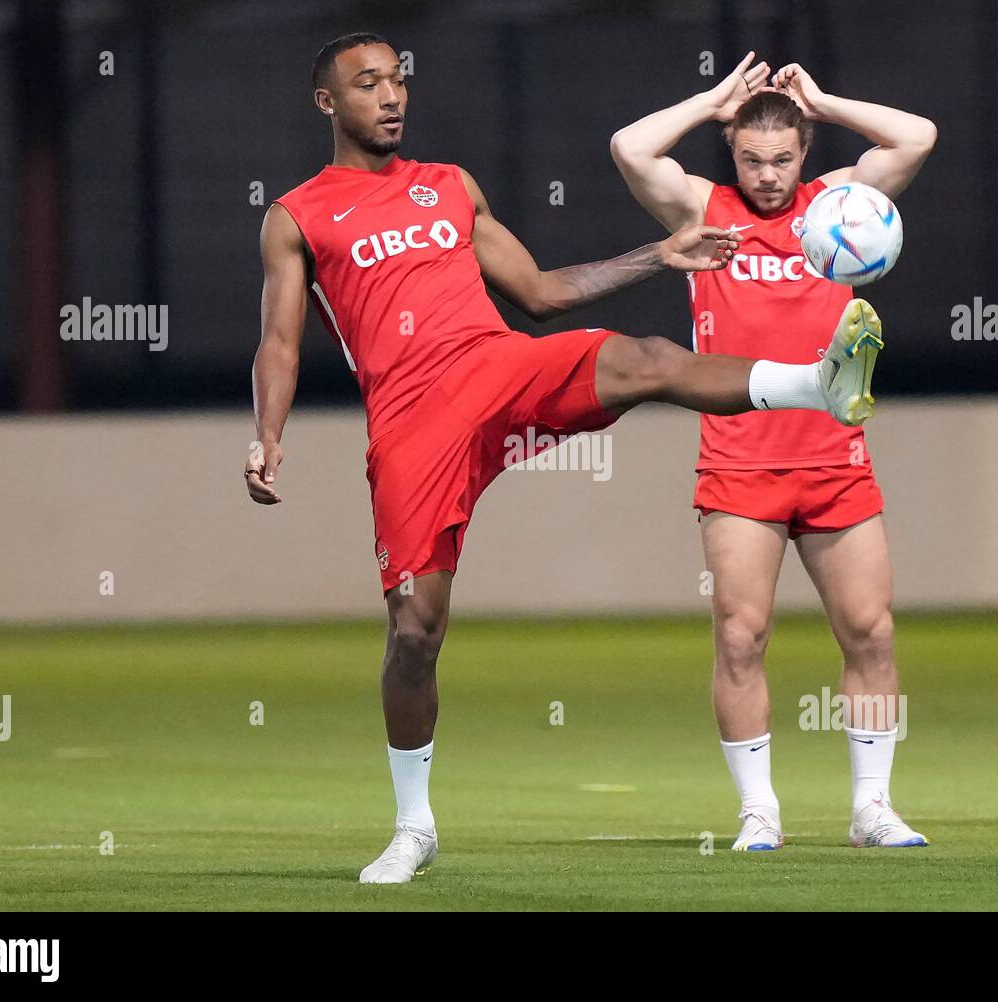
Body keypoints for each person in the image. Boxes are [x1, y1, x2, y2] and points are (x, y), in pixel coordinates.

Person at [247, 34, 884, 882]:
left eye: (398, 81)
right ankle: (414, 826)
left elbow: (542, 294)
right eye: (367, 85)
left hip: (498, 365)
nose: (390, 97)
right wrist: (269, 433)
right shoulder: (296, 215)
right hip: (411, 422)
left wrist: (656, 255)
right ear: (328, 102)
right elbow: (280, 342)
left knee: (644, 358)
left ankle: (817, 379)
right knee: (415, 631)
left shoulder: (449, 187)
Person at [610, 53, 936, 849]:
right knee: (739, 635)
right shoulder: (703, 210)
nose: (766, 175)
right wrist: (710, 101)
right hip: (739, 461)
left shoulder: (839, 206)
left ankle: (872, 809)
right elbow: (630, 148)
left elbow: (918, 136)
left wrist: (823, 100)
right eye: (752, 159)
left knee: (872, 631)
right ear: (733, 154)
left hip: (834, 458)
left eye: (782, 159)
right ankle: (759, 809)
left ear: (804, 153)